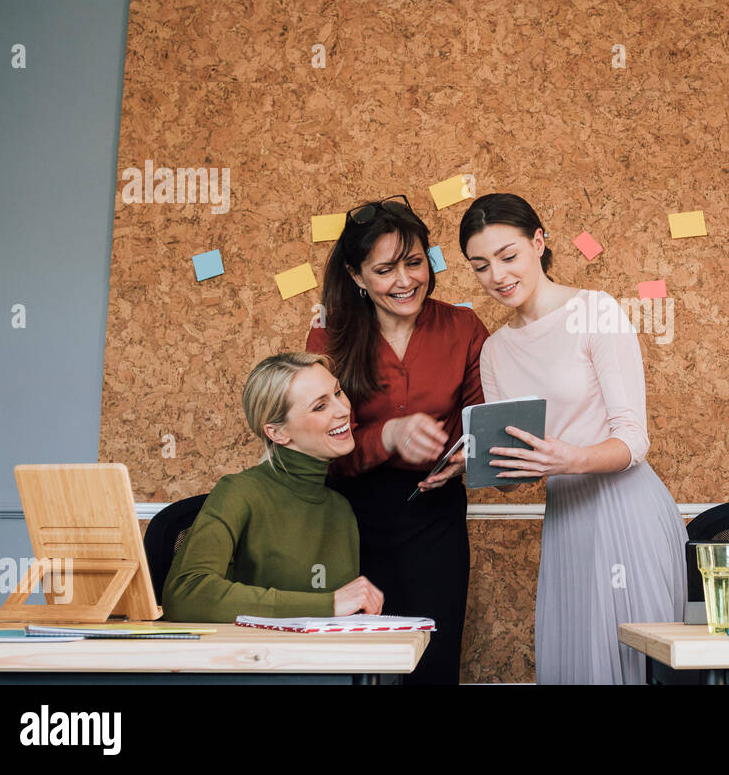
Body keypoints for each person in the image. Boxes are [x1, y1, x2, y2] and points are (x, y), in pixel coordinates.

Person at [458, 192, 686, 684]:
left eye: (508, 256)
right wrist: (478, 462)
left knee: (634, 664)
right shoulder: (495, 350)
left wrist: (568, 458)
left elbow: (633, 441)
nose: (496, 276)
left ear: (539, 243)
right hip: (566, 519)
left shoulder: (595, 311)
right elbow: (513, 480)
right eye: (480, 266)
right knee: (578, 665)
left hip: (626, 511)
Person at [307, 194, 488, 685]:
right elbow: (316, 447)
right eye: (385, 269)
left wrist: (463, 460)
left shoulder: (464, 327)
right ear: (356, 275)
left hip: (436, 517)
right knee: (359, 663)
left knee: (433, 656)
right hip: (349, 521)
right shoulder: (329, 337)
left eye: (414, 263)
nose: (405, 281)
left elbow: (481, 424)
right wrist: (386, 436)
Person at [163, 352, 383, 622]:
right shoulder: (239, 492)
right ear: (277, 432)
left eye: (337, 393)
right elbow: (186, 594)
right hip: (252, 661)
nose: (342, 410)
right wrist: (327, 604)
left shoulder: (341, 509)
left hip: (322, 662)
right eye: (319, 406)